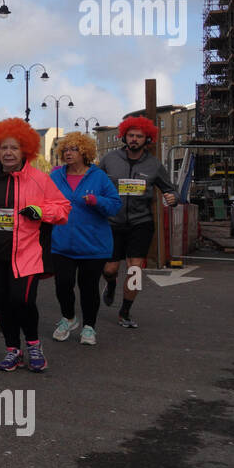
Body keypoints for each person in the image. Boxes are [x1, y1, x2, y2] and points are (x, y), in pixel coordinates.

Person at [0, 118, 71, 373]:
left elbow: (63, 208)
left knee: (21, 300)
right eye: (3, 148)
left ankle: (33, 344)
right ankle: (13, 349)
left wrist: (40, 211)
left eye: (14, 148)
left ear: (25, 151)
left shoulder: (39, 179)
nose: (8, 153)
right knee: (0, 302)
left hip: (27, 253)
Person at [99, 116, 181, 329]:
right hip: (112, 223)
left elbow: (170, 189)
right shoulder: (109, 159)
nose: (134, 139)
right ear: (124, 136)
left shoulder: (154, 165)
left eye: (139, 136)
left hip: (140, 223)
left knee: (135, 270)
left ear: (148, 139)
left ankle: (125, 311)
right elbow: (94, 182)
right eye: (131, 135)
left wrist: (173, 198)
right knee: (109, 269)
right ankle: (111, 283)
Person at [49, 132, 122, 346]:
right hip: (62, 243)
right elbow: (44, 201)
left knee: (88, 287)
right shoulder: (55, 176)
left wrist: (96, 200)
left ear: (85, 152)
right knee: (63, 284)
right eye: (66, 149)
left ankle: (89, 327)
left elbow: (115, 204)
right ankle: (69, 318)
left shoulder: (98, 176)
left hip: (93, 245)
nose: (68, 153)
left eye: (74, 149)